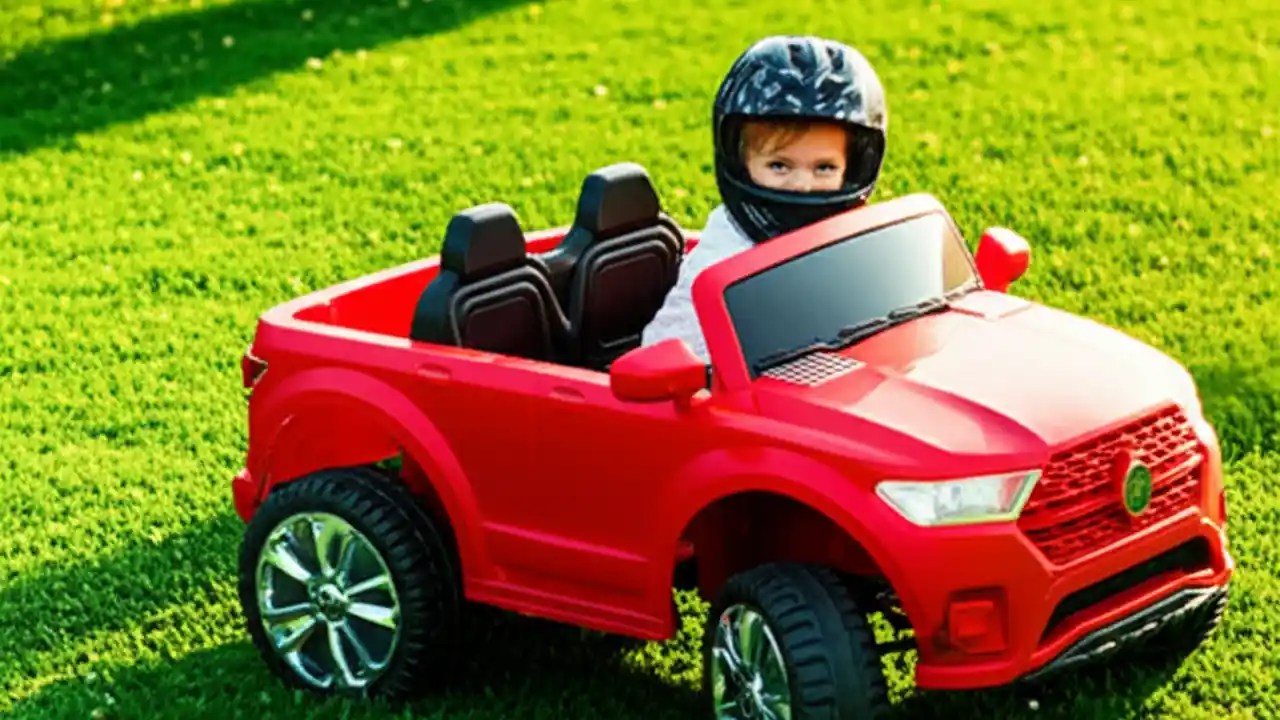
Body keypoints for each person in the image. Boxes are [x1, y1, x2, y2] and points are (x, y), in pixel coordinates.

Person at [640, 35, 889, 363]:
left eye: (824, 167)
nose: (802, 185)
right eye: (779, 165)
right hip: (703, 393)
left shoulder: (848, 237)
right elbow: (660, 361)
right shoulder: (725, 262)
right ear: (740, 164)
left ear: (855, 166)